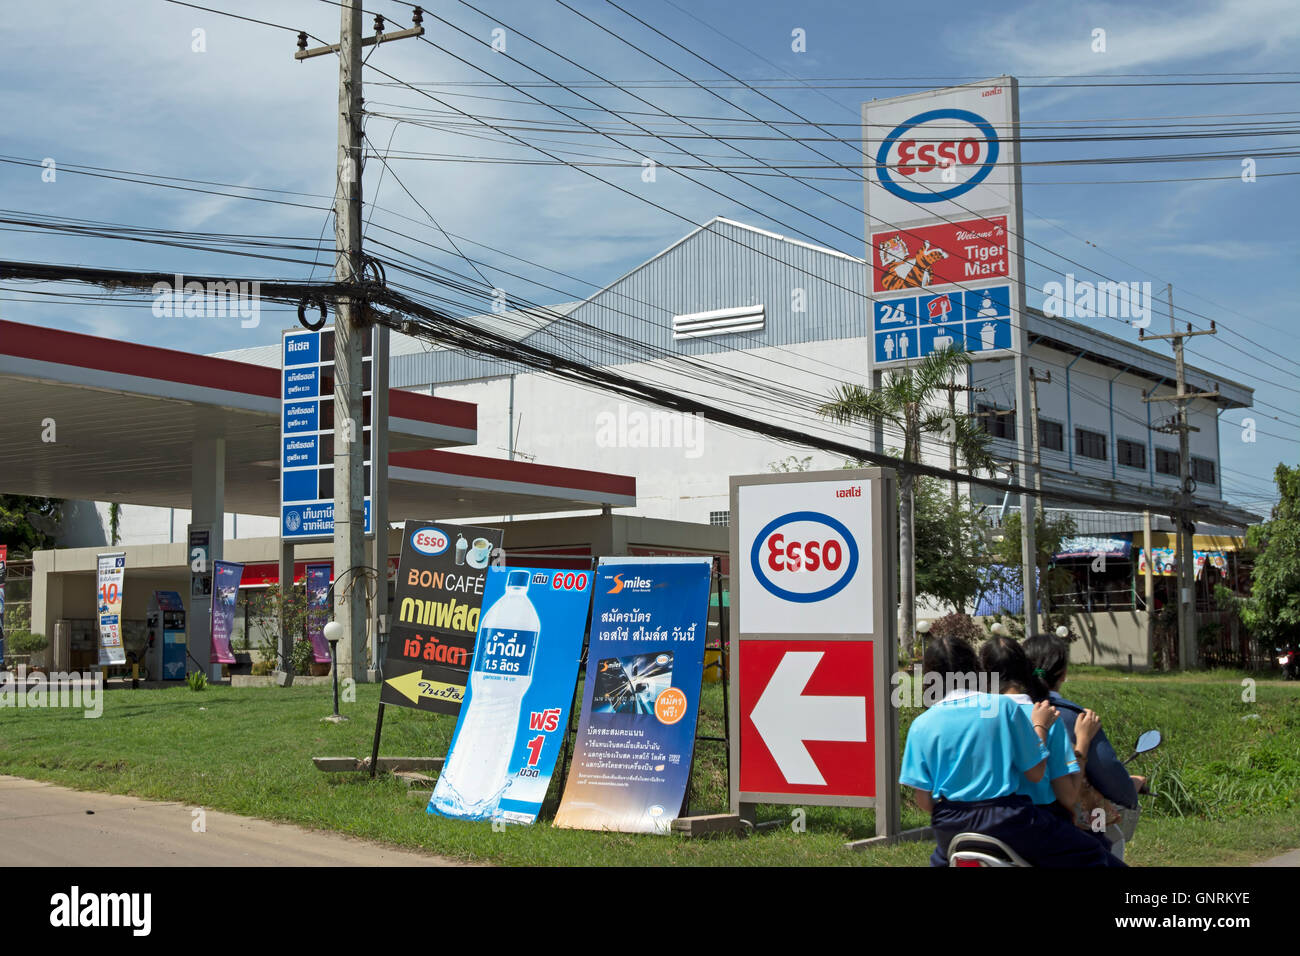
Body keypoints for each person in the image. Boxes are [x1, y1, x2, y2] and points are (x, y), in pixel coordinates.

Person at [900, 634, 1126, 867]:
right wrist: (1040, 727)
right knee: (1092, 852)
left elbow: (925, 801)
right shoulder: (1001, 707)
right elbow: (1036, 773)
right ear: (975, 669)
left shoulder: (921, 724)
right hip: (1005, 819)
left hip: (949, 825)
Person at [1024, 633, 1142, 852]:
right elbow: (1107, 773)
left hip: (1013, 822)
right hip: (1065, 824)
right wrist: (1129, 792)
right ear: (1063, 673)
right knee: (1104, 843)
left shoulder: (1009, 713)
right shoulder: (1075, 718)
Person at [978, 636, 1080, 818]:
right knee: (1095, 847)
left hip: (980, 819)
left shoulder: (972, 717)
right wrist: (1084, 743)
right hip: (1036, 821)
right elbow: (1068, 796)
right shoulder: (1048, 717)